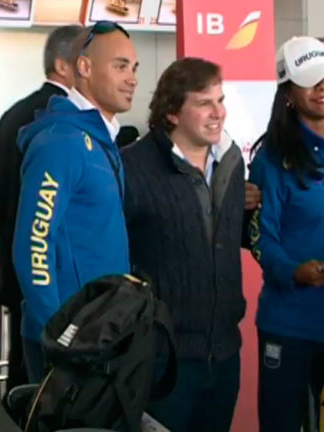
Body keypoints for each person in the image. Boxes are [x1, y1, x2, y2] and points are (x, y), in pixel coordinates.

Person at [248, 36, 324, 432]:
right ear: (287, 92)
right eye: (310, 80)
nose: (323, 88)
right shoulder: (272, 159)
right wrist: (295, 271)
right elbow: (261, 239)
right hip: (290, 324)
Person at [120, 57, 246, 432]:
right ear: (172, 113)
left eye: (220, 100)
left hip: (223, 353)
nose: (218, 113)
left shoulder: (231, 163)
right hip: (162, 360)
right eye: (204, 103)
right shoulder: (132, 168)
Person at [12, 21, 138, 383]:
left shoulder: (100, 140)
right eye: (119, 66)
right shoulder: (61, 142)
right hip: (71, 341)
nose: (131, 78)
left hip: (104, 330)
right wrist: (58, 333)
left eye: (134, 68)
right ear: (84, 68)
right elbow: (33, 244)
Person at [0, 24, 81, 390]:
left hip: (17, 272)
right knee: (54, 387)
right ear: (63, 64)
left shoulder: (14, 114)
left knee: (22, 377)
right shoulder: (64, 123)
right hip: (56, 287)